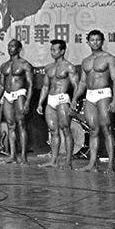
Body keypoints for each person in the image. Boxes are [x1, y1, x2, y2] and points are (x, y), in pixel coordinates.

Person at [70, 30, 115, 173]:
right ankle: (92, 164)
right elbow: (82, 83)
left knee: (106, 128)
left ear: (102, 41)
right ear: (88, 42)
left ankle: (111, 164)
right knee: (93, 130)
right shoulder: (86, 61)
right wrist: (75, 98)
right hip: (90, 95)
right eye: (92, 40)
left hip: (104, 93)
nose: (95, 42)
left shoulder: (109, 58)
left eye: (98, 40)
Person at [36, 39, 79, 169]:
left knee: (66, 130)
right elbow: (45, 86)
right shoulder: (49, 67)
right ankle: (53, 161)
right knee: (53, 131)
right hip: (50, 100)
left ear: (62, 51)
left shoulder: (69, 66)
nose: (52, 52)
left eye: (55, 50)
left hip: (62, 99)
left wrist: (74, 101)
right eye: (51, 50)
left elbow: (76, 85)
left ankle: (68, 161)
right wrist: (40, 103)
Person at [0, 39, 34, 163]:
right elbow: (1, 85)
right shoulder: (4, 65)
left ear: (19, 49)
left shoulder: (25, 64)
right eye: (9, 46)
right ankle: (12, 155)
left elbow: (31, 85)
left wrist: (27, 102)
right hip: (7, 95)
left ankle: (23, 156)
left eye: (12, 46)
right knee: (10, 125)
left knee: (21, 124)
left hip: (20, 93)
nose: (10, 48)